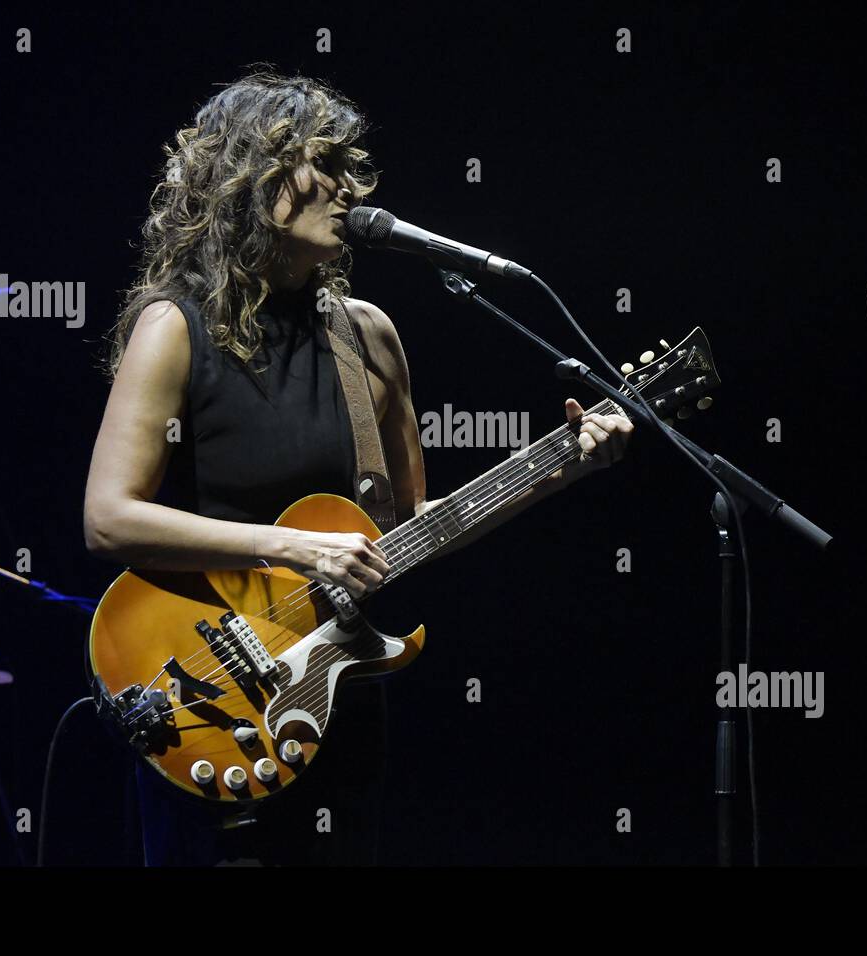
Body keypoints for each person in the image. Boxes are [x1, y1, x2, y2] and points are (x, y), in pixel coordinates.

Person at [82, 67, 633, 865]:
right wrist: (293, 547)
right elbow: (109, 518)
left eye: (353, 168)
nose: (349, 188)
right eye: (324, 165)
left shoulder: (367, 337)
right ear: (254, 175)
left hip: (337, 702)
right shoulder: (175, 327)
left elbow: (412, 529)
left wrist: (565, 470)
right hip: (203, 698)